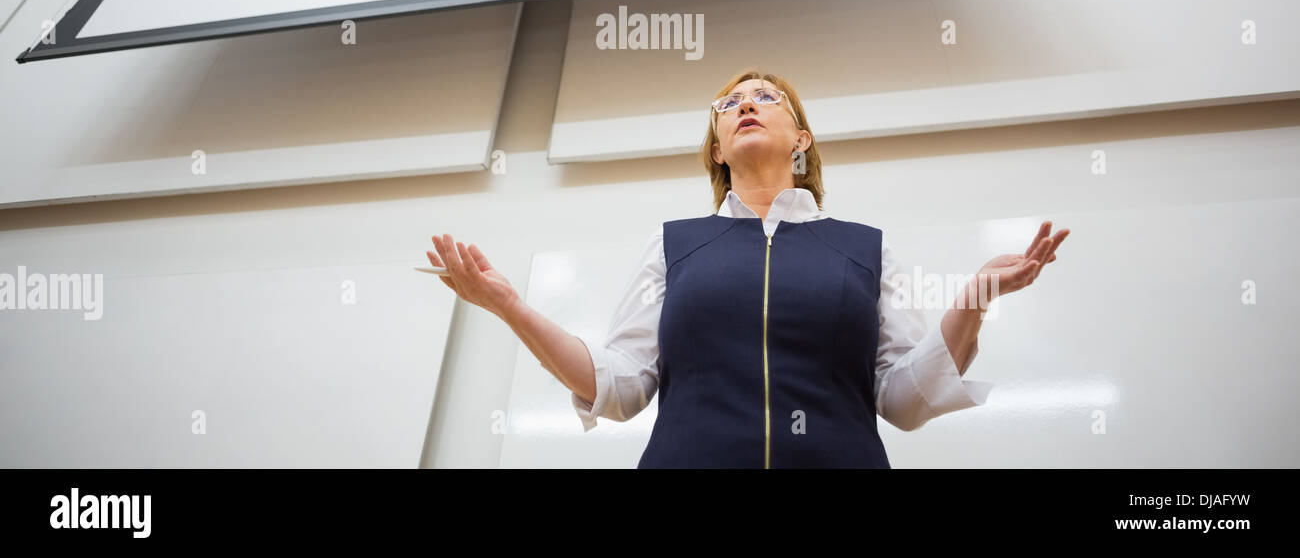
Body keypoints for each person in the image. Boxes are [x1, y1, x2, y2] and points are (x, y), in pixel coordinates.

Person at [427, 69, 1068, 468]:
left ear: (802, 139)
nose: (746, 106)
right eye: (729, 104)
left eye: (766, 98)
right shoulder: (674, 246)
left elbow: (902, 401)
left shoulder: (865, 248)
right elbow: (620, 389)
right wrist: (510, 307)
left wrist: (974, 301)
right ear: (716, 146)